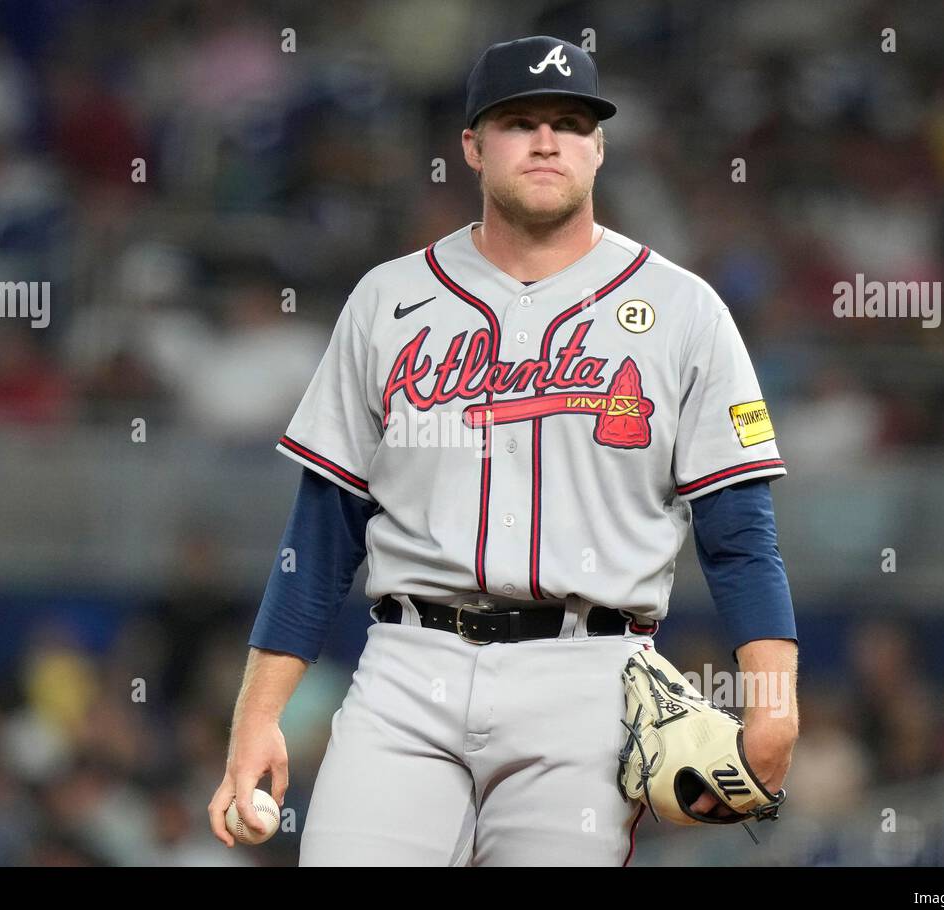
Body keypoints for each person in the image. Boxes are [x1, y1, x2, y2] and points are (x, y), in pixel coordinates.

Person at [209, 35, 799, 866]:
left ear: (598, 147)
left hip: (589, 678)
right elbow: (322, 532)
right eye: (520, 121)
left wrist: (773, 704)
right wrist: (257, 717)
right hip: (408, 667)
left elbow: (740, 538)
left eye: (569, 121)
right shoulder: (389, 299)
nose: (547, 140)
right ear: (473, 148)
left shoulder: (683, 310)